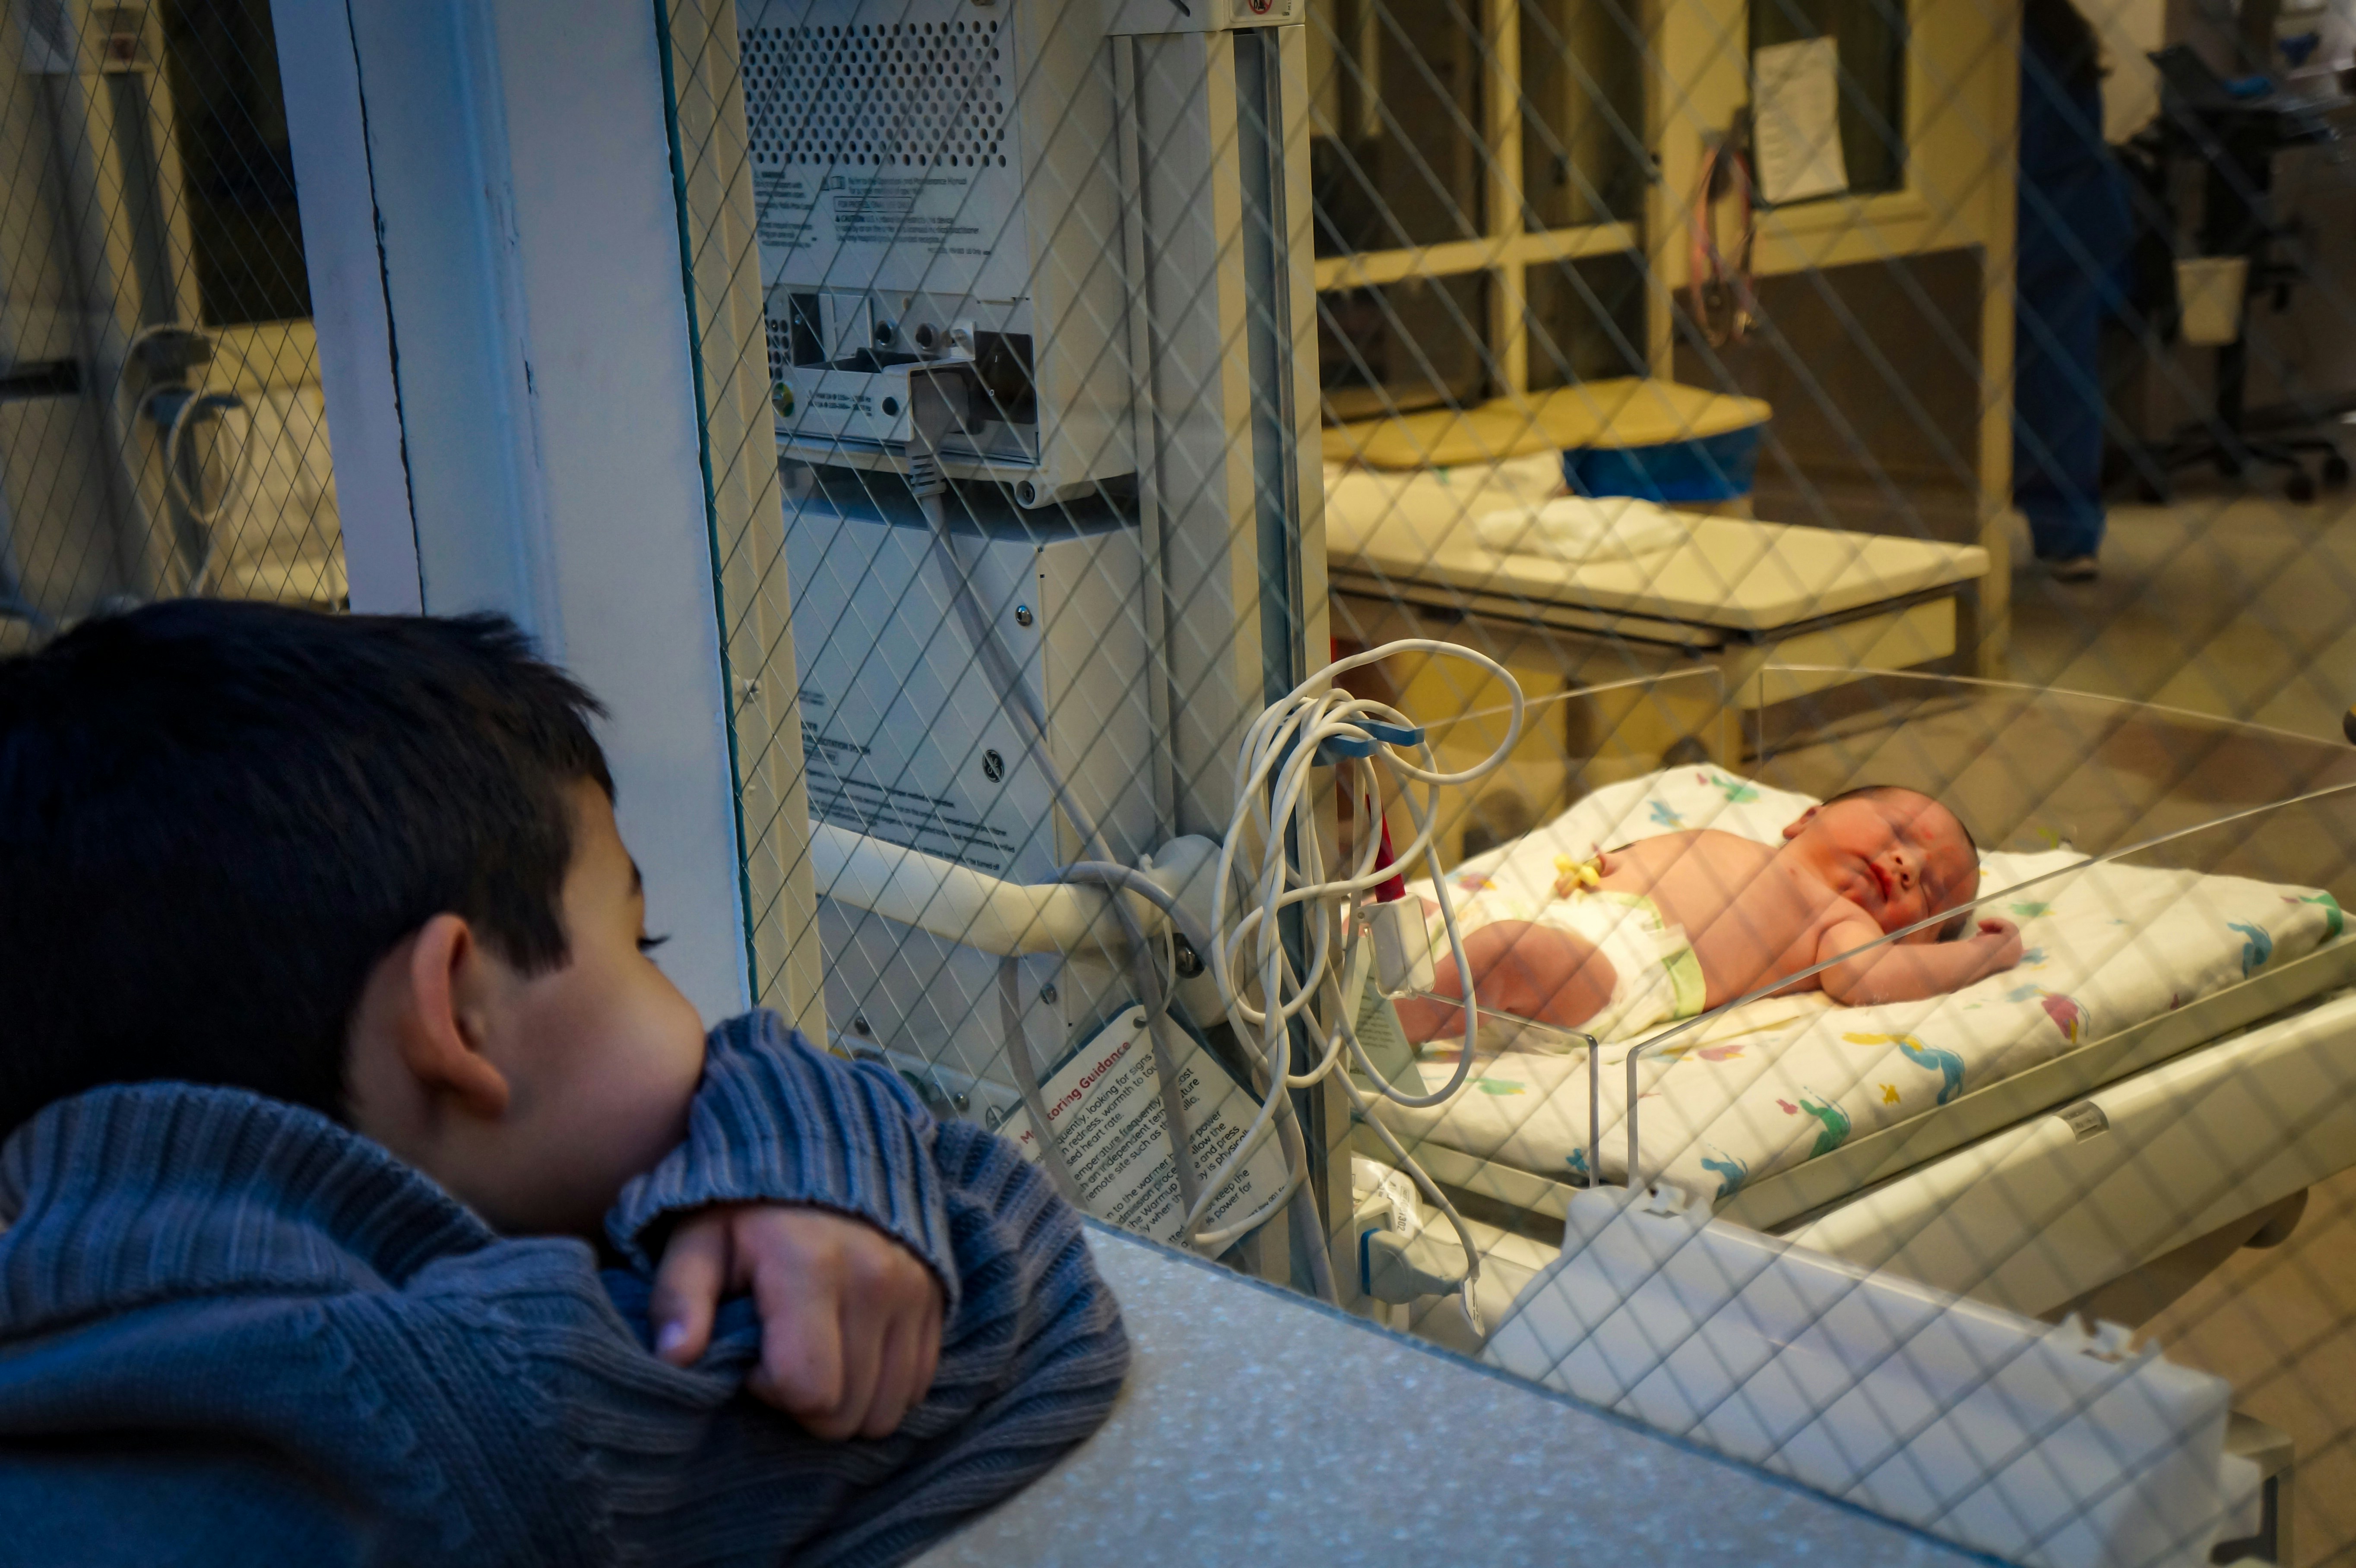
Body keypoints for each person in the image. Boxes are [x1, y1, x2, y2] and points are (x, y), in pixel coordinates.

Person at [0, 601, 1128, 1566]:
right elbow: (1010, 1279)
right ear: (458, 1021)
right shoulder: (453, 1414)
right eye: (642, 943)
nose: (691, 1009)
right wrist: (800, 1165)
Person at [1394, 786, 2023, 1046]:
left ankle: (1384, 1033)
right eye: (1899, 831)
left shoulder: (1838, 920)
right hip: (1555, 916)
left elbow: (1865, 976)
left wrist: (1980, 954)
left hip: (1626, 969)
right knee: (1406, 910)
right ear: (1804, 819)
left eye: (1933, 891)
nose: (1906, 864)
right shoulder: (1746, 849)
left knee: (1503, 952)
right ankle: (1328, 971)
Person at [2014, 0, 2134, 582]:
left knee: (2050, 385)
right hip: (2077, 220)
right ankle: (2069, 537)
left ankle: (2064, 530)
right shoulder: (2060, 30)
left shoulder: (2008, 44)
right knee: (2061, 382)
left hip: (2038, 223)